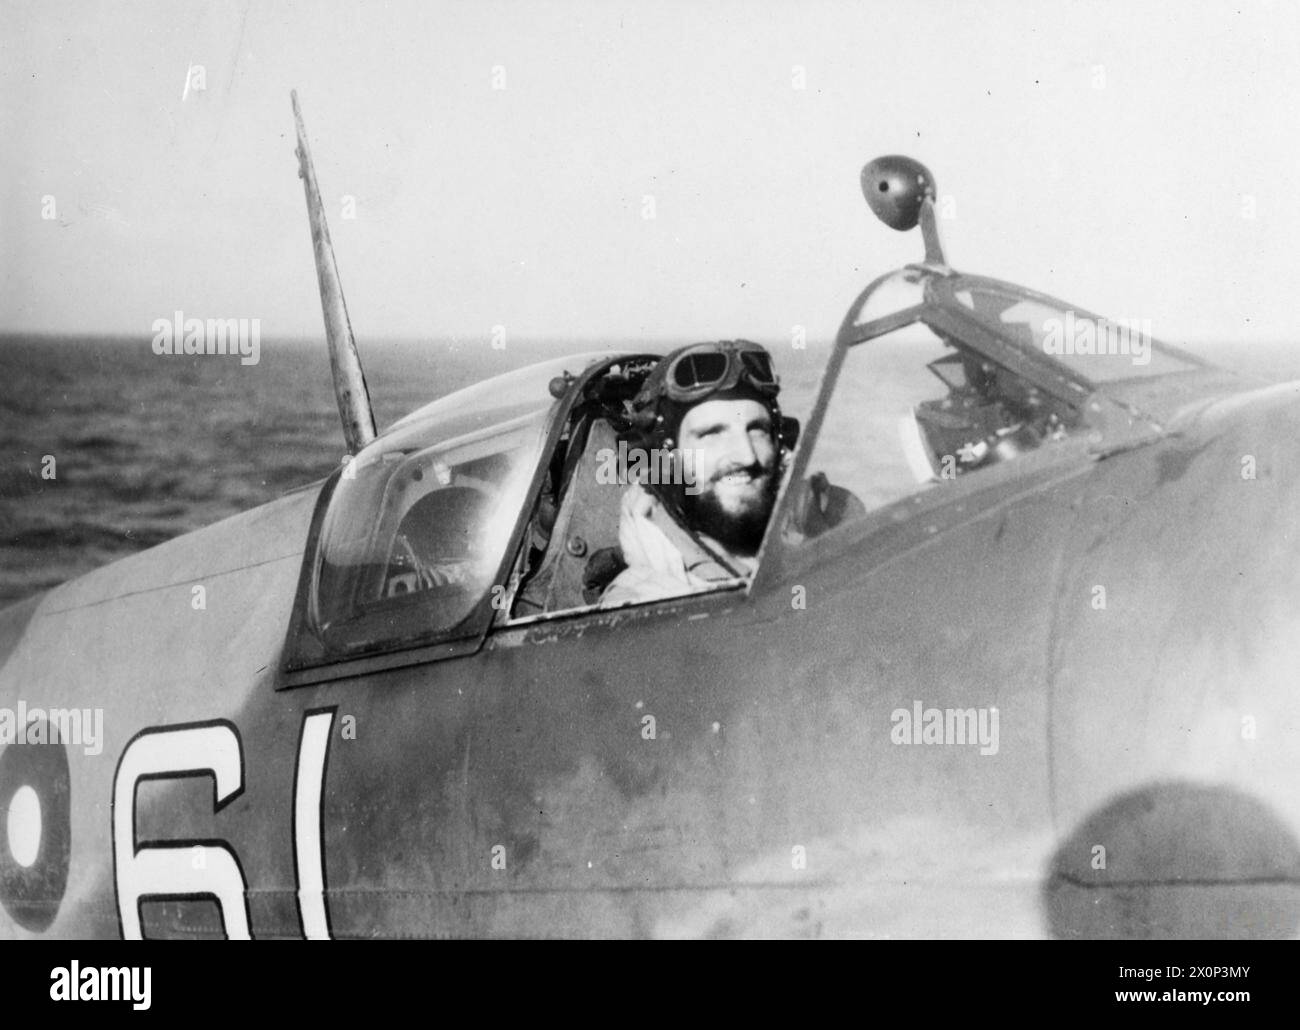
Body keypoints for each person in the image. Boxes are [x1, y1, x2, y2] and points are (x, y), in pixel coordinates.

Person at [599, 340, 793, 607]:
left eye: (757, 429)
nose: (746, 456)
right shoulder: (643, 605)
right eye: (712, 433)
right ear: (668, 460)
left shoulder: (828, 527)